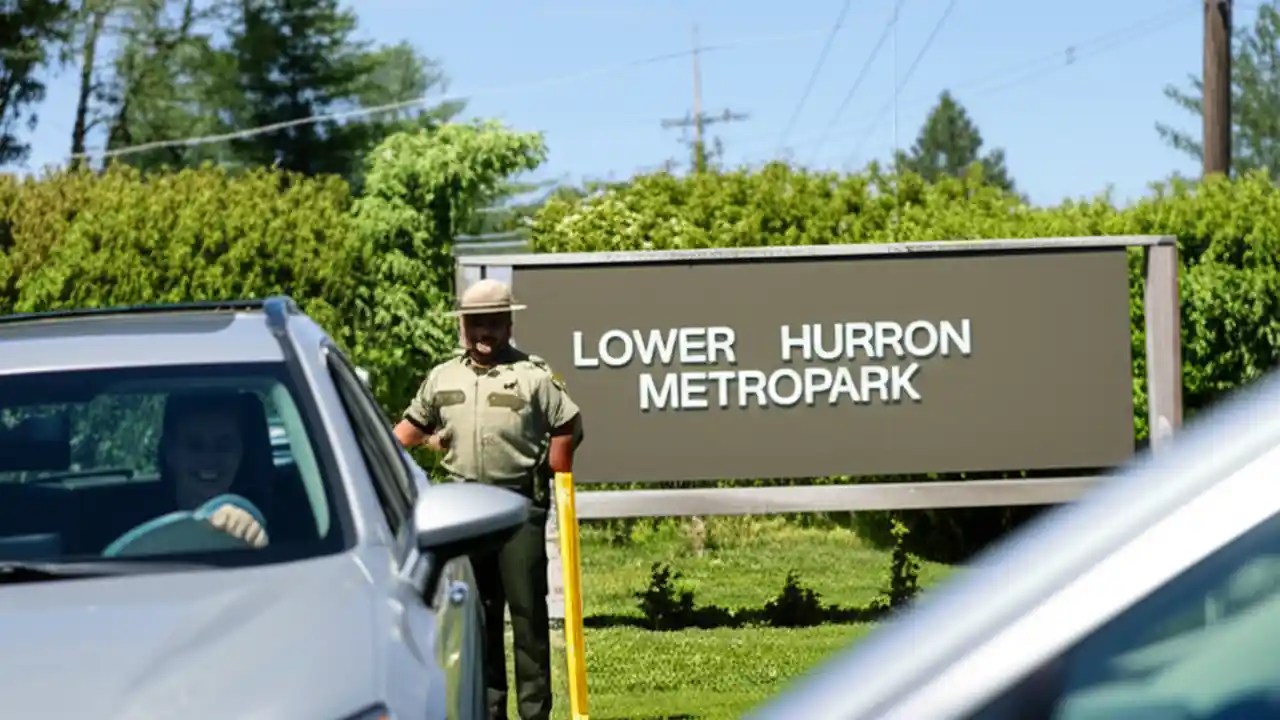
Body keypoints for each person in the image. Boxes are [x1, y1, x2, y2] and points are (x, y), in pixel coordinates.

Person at [393, 278, 583, 720]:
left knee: (528, 617)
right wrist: (371, 455)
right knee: (477, 619)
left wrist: (554, 471)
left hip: (519, 508)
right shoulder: (443, 377)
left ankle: (535, 713)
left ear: (509, 323)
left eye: (495, 323)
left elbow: (568, 425)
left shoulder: (532, 376)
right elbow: (410, 428)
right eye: (477, 324)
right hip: (465, 512)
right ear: (463, 325)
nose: (486, 333)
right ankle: (488, 710)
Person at [158, 390, 274, 549]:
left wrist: (253, 536)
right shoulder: (126, 521)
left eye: (224, 446)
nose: (209, 458)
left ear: (241, 452)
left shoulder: (284, 527)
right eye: (195, 446)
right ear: (170, 453)